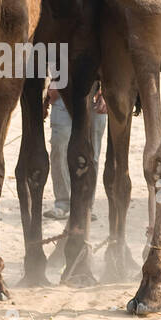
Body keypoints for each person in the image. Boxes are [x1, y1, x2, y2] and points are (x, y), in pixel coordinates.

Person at [44, 82, 108, 220]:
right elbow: (45, 60)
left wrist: (105, 91)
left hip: (95, 95)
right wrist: (50, 83)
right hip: (63, 90)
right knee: (59, 145)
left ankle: (86, 205)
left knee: (92, 153)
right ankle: (63, 203)